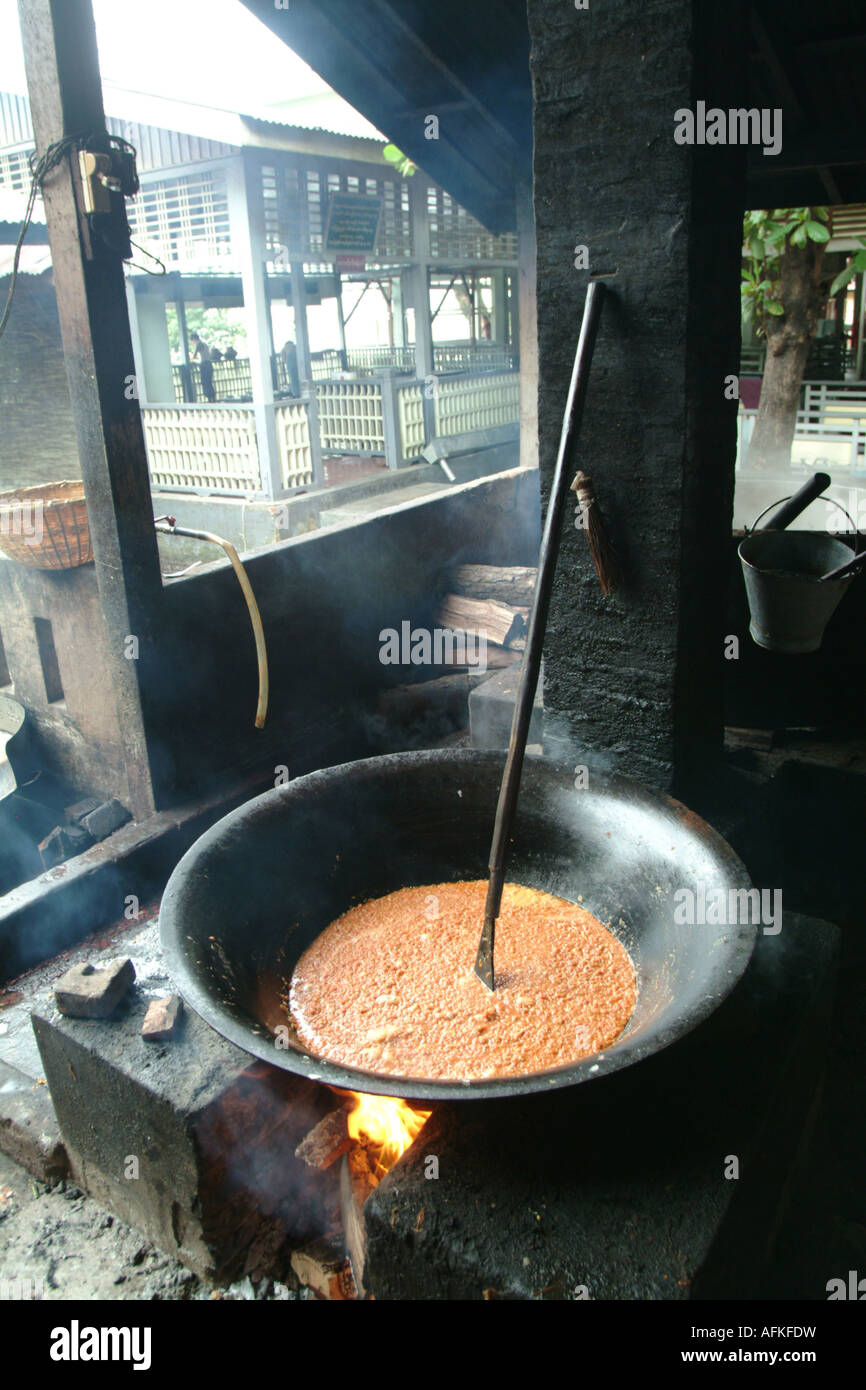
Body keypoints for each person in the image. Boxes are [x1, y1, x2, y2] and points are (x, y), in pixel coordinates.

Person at [190, 331, 216, 402]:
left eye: (192, 340)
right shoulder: (204, 344)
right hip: (209, 364)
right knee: (209, 382)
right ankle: (212, 398)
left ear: (194, 339)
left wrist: (191, 360)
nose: (193, 342)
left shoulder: (199, 344)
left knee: (205, 382)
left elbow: (194, 356)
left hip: (204, 365)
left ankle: (209, 399)